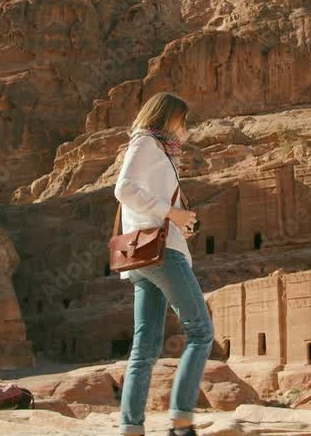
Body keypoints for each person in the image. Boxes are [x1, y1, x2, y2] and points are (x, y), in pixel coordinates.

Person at [114, 92, 214, 436]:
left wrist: (180, 220)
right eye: (182, 121)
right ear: (167, 118)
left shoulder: (159, 152)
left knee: (145, 346)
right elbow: (123, 189)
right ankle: (182, 420)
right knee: (201, 331)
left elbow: (143, 197)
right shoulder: (145, 143)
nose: (185, 129)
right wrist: (172, 213)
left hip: (145, 257)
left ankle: (131, 427)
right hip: (160, 253)